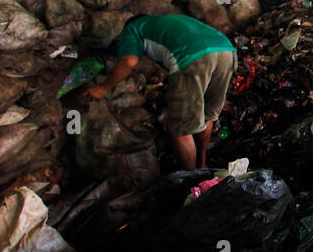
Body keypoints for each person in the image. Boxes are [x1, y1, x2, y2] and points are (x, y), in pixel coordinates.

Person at [85, 14, 236, 171]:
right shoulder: (168, 21)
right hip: (226, 50)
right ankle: (203, 165)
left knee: (180, 129)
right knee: (206, 115)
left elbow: (129, 61)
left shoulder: (133, 28)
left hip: (194, 57)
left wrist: (105, 87)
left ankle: (191, 183)